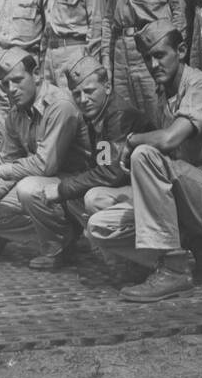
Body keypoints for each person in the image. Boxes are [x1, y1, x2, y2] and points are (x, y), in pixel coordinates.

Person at [88, 21, 202, 302]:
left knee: (145, 153)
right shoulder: (164, 93)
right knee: (99, 217)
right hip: (196, 197)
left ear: (180, 51)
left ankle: (173, 269)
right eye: (147, 58)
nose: (153, 64)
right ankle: (189, 258)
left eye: (160, 55)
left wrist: (131, 141)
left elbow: (167, 140)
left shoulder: (201, 85)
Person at [0, 47, 91, 265]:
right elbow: (6, 159)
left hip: (79, 187)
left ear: (36, 74)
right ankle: (12, 235)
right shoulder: (16, 113)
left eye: (17, 80)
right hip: (50, 184)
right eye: (5, 84)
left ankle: (61, 245)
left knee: (28, 188)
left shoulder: (60, 105)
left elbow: (45, 165)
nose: (11, 89)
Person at [21, 55, 154, 277]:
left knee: (90, 196)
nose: (83, 99)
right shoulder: (98, 114)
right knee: (79, 192)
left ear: (108, 87)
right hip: (126, 188)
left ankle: (141, 260)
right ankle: (108, 254)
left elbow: (111, 173)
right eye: (76, 94)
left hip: (148, 193)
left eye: (89, 91)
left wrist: (62, 189)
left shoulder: (118, 114)